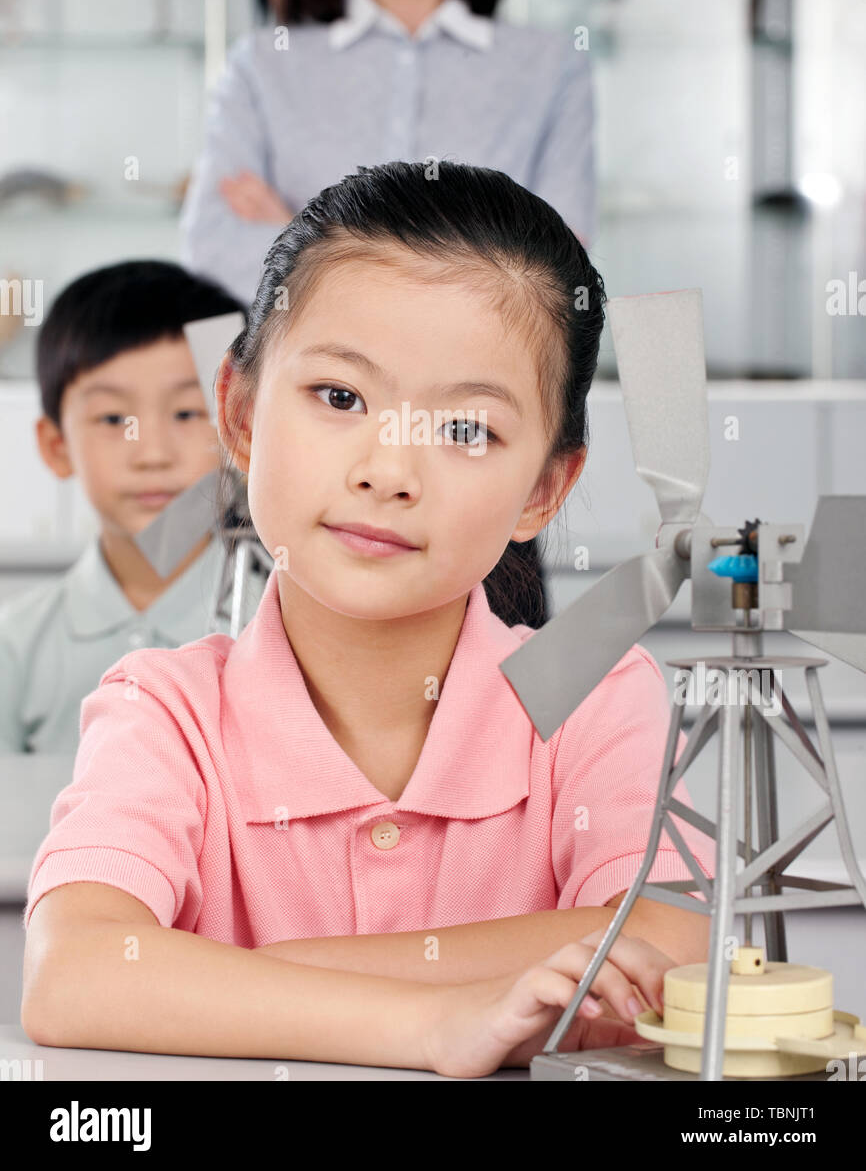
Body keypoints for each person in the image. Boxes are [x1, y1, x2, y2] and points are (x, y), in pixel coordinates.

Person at [22, 162, 714, 1076]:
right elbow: (75, 973)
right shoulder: (166, 712)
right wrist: (437, 1022)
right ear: (239, 412)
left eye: (466, 430)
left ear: (544, 489)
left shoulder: (595, 696)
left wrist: (225, 982)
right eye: (340, 398)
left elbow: (673, 955)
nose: (389, 471)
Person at [179, 0, 599, 630]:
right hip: (307, 470)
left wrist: (300, 230)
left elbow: (563, 280)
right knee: (266, 732)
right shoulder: (267, 65)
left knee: (508, 732)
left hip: (468, 470)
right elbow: (210, 249)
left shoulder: (547, 68)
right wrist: (466, 272)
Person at [0, 261, 266, 752]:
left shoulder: (286, 630)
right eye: (114, 417)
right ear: (57, 446)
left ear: (239, 430)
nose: (152, 453)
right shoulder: (14, 646)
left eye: (187, 412)